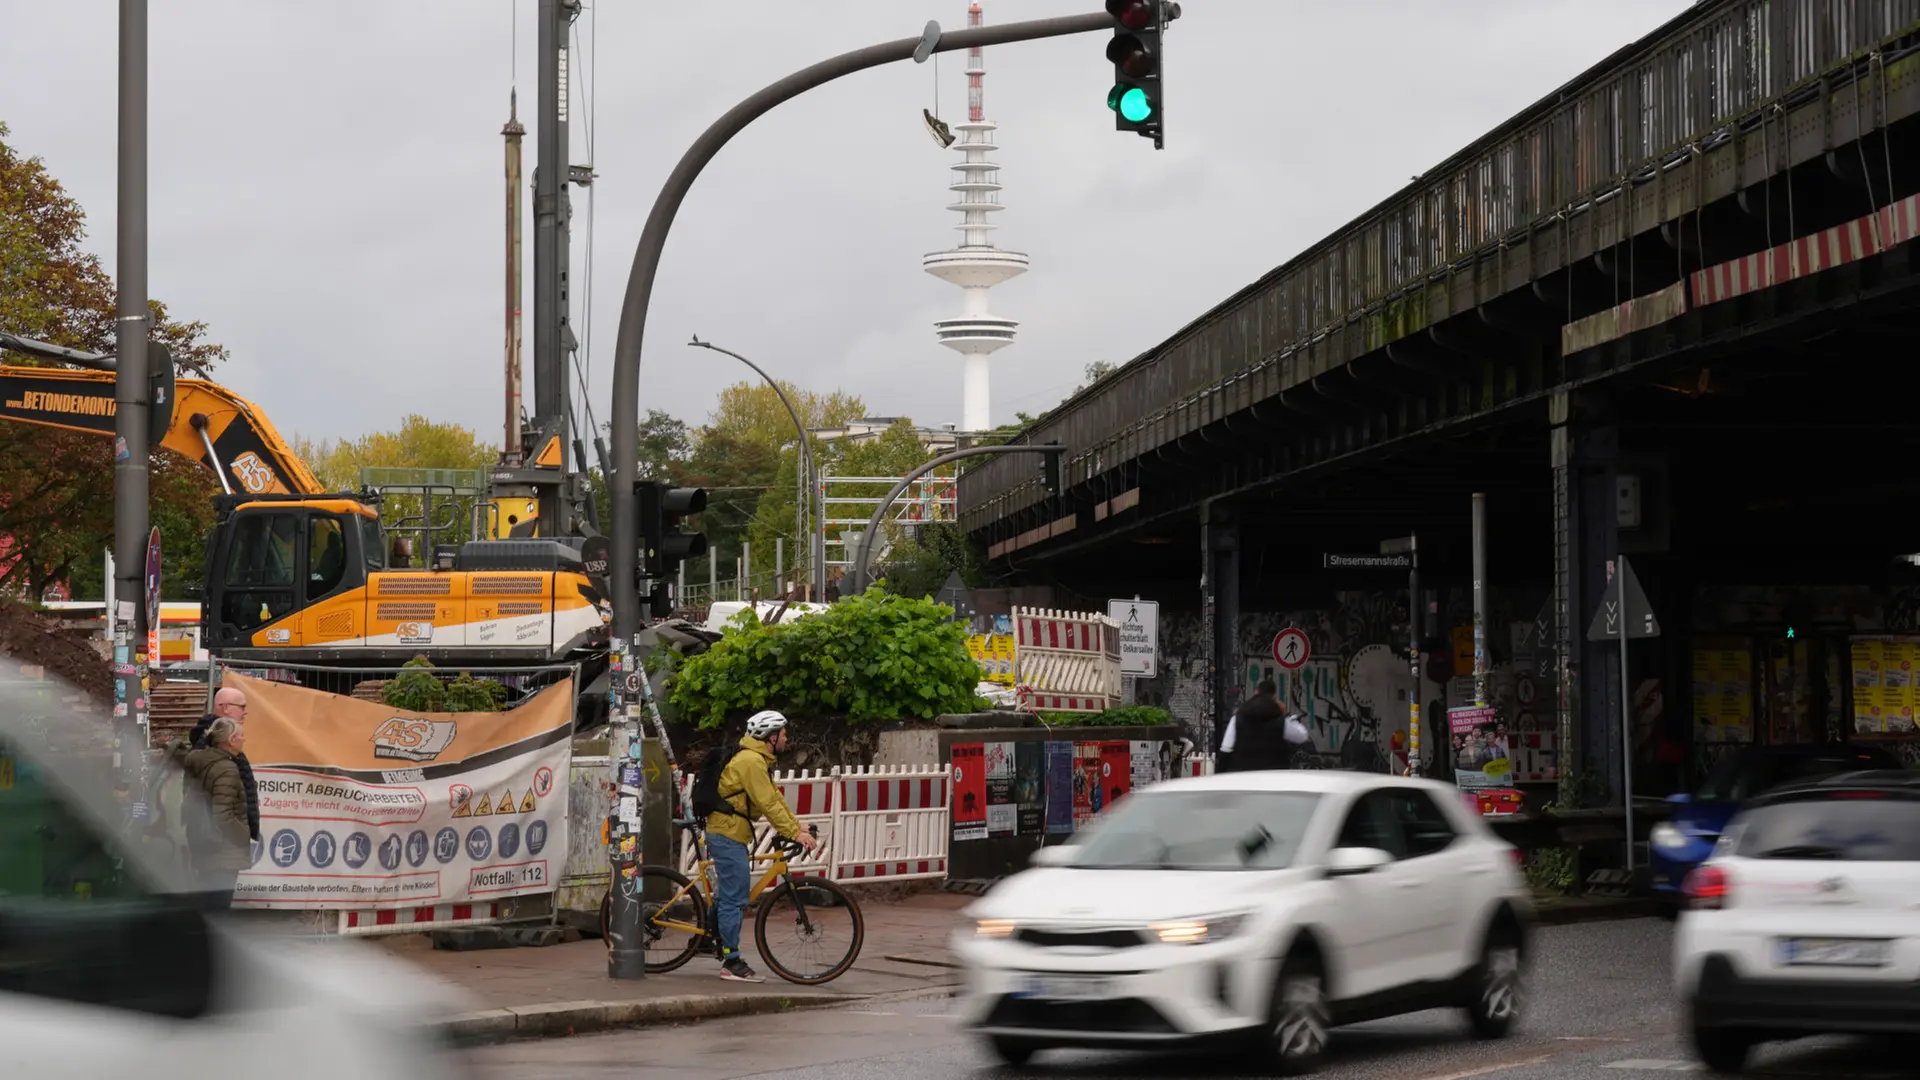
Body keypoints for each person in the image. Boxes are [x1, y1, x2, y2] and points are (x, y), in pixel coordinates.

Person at [704, 709, 818, 983]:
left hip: (732, 832)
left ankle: (708, 938)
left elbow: (774, 800)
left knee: (729, 893)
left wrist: (796, 826)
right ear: (771, 736)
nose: (786, 737)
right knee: (735, 897)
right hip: (726, 834)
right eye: (783, 733)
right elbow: (766, 803)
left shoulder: (757, 760)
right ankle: (731, 962)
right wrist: (792, 831)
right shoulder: (751, 762)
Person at [174, 715, 256, 908]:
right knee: (218, 910)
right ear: (231, 740)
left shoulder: (199, 761)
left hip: (201, 844)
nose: (244, 740)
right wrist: (243, 835)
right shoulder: (227, 769)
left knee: (206, 907)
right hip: (223, 852)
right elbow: (224, 815)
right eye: (241, 736)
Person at [1217, 677, 1307, 772]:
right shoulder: (1280, 721)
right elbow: (1302, 736)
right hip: (1274, 775)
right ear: (1273, 697)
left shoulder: (1238, 718)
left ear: (1256, 692)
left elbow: (1226, 748)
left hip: (1244, 775)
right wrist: (1286, 715)